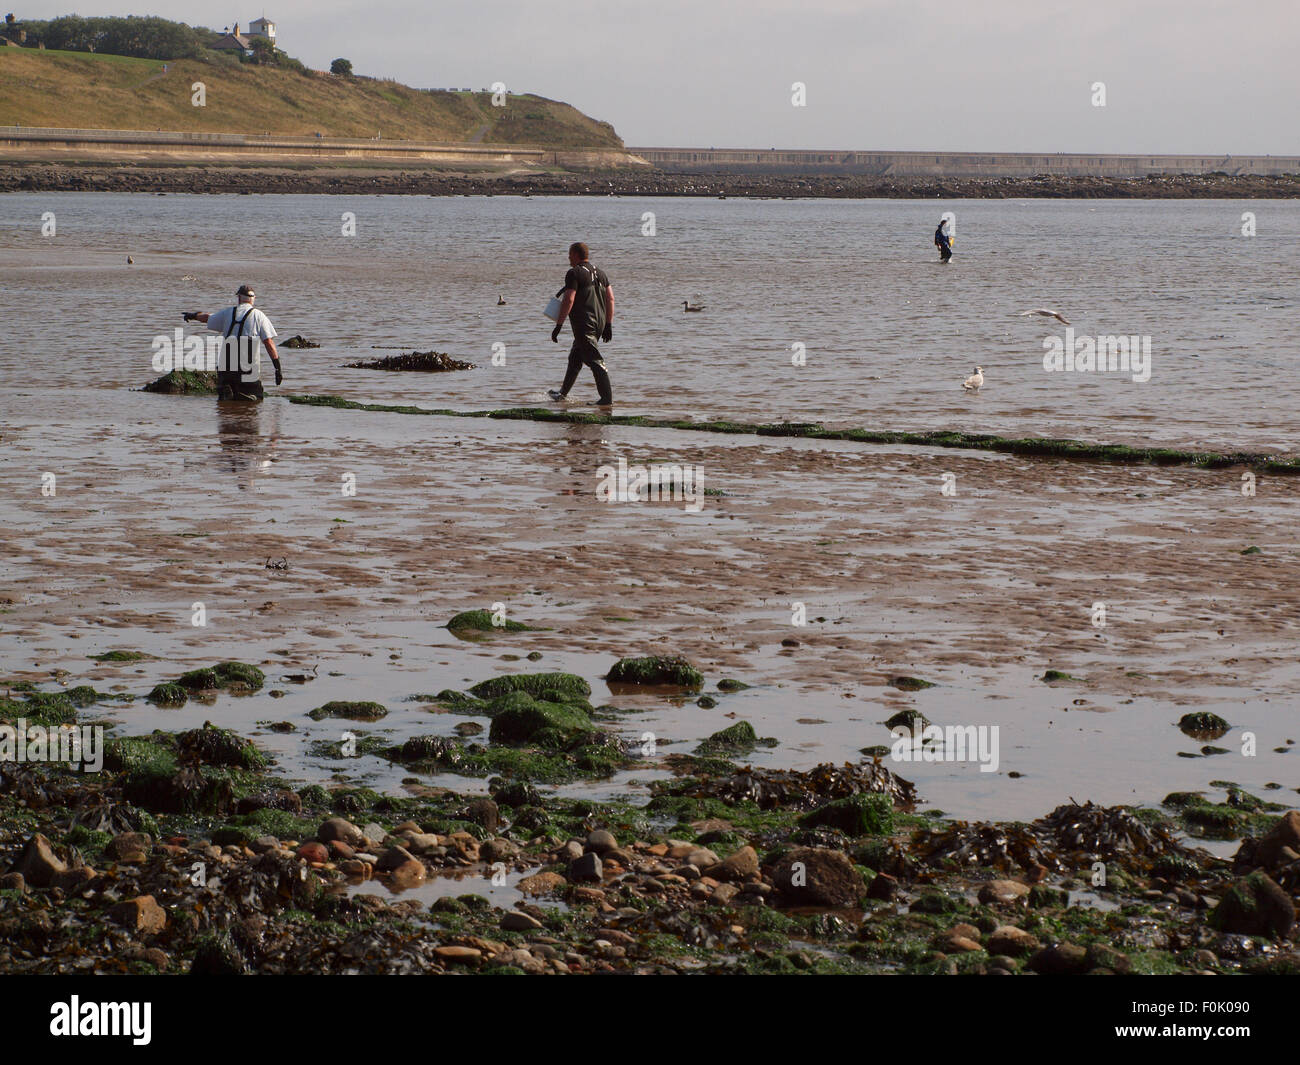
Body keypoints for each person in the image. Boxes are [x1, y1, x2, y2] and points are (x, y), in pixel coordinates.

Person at [183, 284, 281, 401]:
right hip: (248, 365)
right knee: (256, 398)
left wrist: (193, 315)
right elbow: (268, 342)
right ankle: (247, 394)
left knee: (225, 394)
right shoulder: (259, 316)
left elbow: (208, 318)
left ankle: (227, 390)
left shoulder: (228, 312)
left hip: (227, 363)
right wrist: (277, 368)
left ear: (239, 298)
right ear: (253, 299)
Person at [548, 242, 614, 405]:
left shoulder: (574, 273)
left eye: (570, 254)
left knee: (595, 360)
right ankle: (562, 394)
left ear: (576, 254)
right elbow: (610, 298)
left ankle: (606, 399)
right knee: (575, 358)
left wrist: (558, 325)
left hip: (585, 325)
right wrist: (608, 324)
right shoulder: (601, 273)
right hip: (598, 324)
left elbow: (569, 299)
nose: (568, 257)